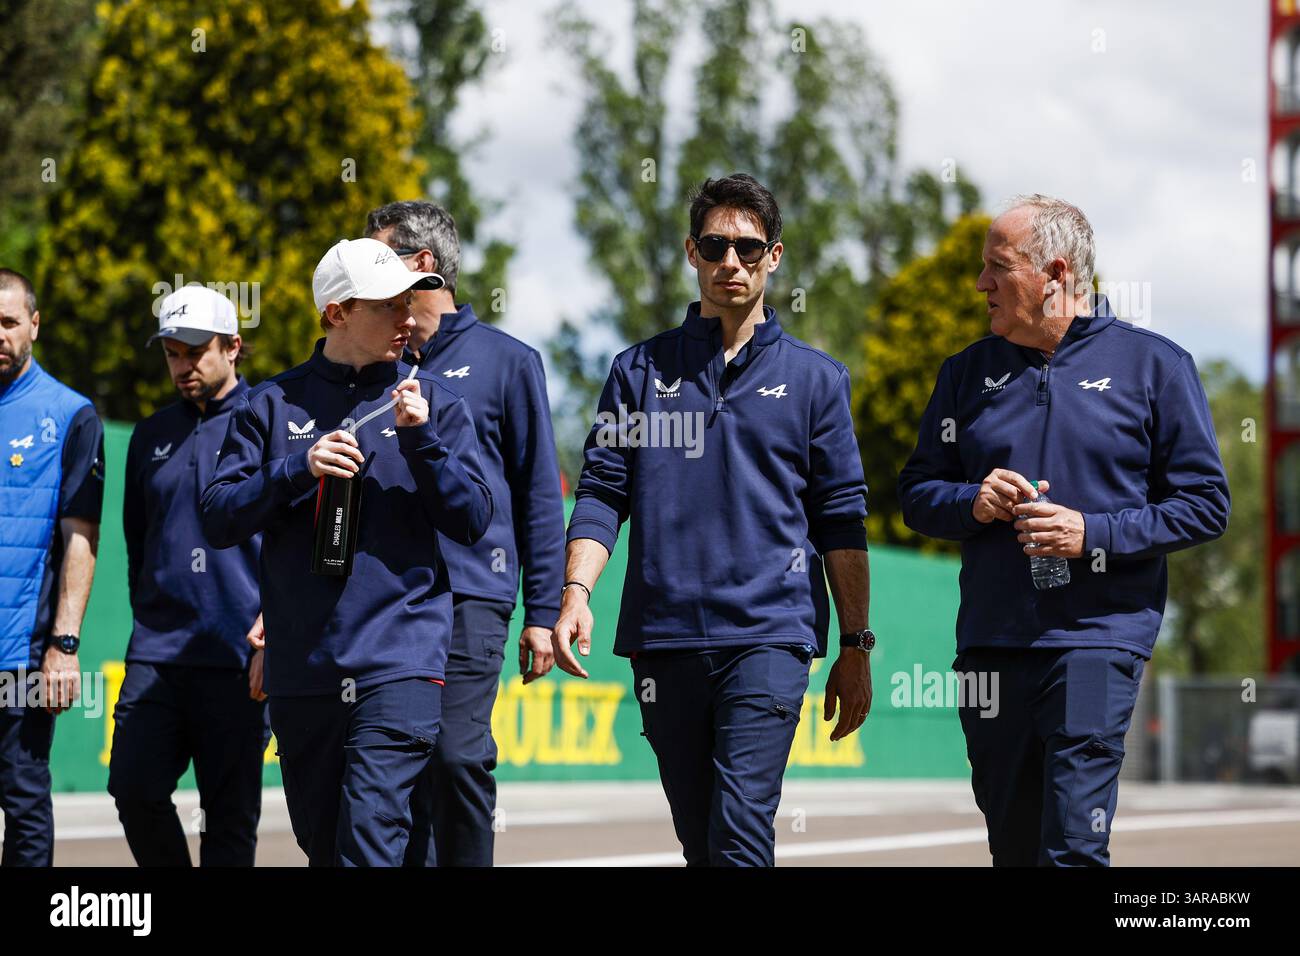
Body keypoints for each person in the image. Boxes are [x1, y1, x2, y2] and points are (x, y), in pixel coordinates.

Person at [552, 174, 874, 867]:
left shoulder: (818, 381)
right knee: (702, 841)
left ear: (775, 256)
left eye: (749, 248)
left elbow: (841, 523)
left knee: (738, 833)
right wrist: (576, 593)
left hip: (770, 636)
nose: (732, 262)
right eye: (716, 245)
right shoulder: (636, 371)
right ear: (692, 253)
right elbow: (604, 491)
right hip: (663, 639)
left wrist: (856, 647)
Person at [898, 194, 1230, 866]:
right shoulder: (965, 374)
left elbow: (1204, 503)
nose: (981, 284)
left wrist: (1092, 533)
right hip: (991, 647)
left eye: (998, 267)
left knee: (1073, 844)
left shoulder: (1156, 367)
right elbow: (916, 496)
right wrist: (973, 501)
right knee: (1015, 847)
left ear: (1055, 273)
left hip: (1096, 643)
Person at [200, 238, 492, 866]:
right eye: (389, 307)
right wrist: (295, 470)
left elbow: (473, 520)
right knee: (329, 847)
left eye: (411, 303)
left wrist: (425, 445)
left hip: (401, 662)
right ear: (336, 313)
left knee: (367, 842)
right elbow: (218, 517)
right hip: (304, 672)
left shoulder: (435, 403)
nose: (409, 319)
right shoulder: (268, 405)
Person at [365, 201, 566, 867]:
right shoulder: (372, 363)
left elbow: (540, 492)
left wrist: (544, 611)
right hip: (383, 602)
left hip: (470, 599)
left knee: (455, 757)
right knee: (398, 769)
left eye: (377, 255)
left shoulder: (508, 362)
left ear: (422, 268)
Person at [109, 285, 269, 866]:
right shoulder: (150, 434)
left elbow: (292, 546)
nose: (182, 365)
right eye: (172, 352)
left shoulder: (270, 418)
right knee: (133, 788)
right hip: (159, 654)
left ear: (233, 347)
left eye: (195, 351)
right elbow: (137, 541)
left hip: (239, 658)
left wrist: (270, 633)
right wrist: (150, 617)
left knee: (229, 823)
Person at [0, 267, 104, 866]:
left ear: (34, 325)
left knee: (24, 806)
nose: (1, 334)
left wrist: (64, 645)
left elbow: (80, 538)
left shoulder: (71, 415)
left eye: (10, 322)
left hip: (22, 654)